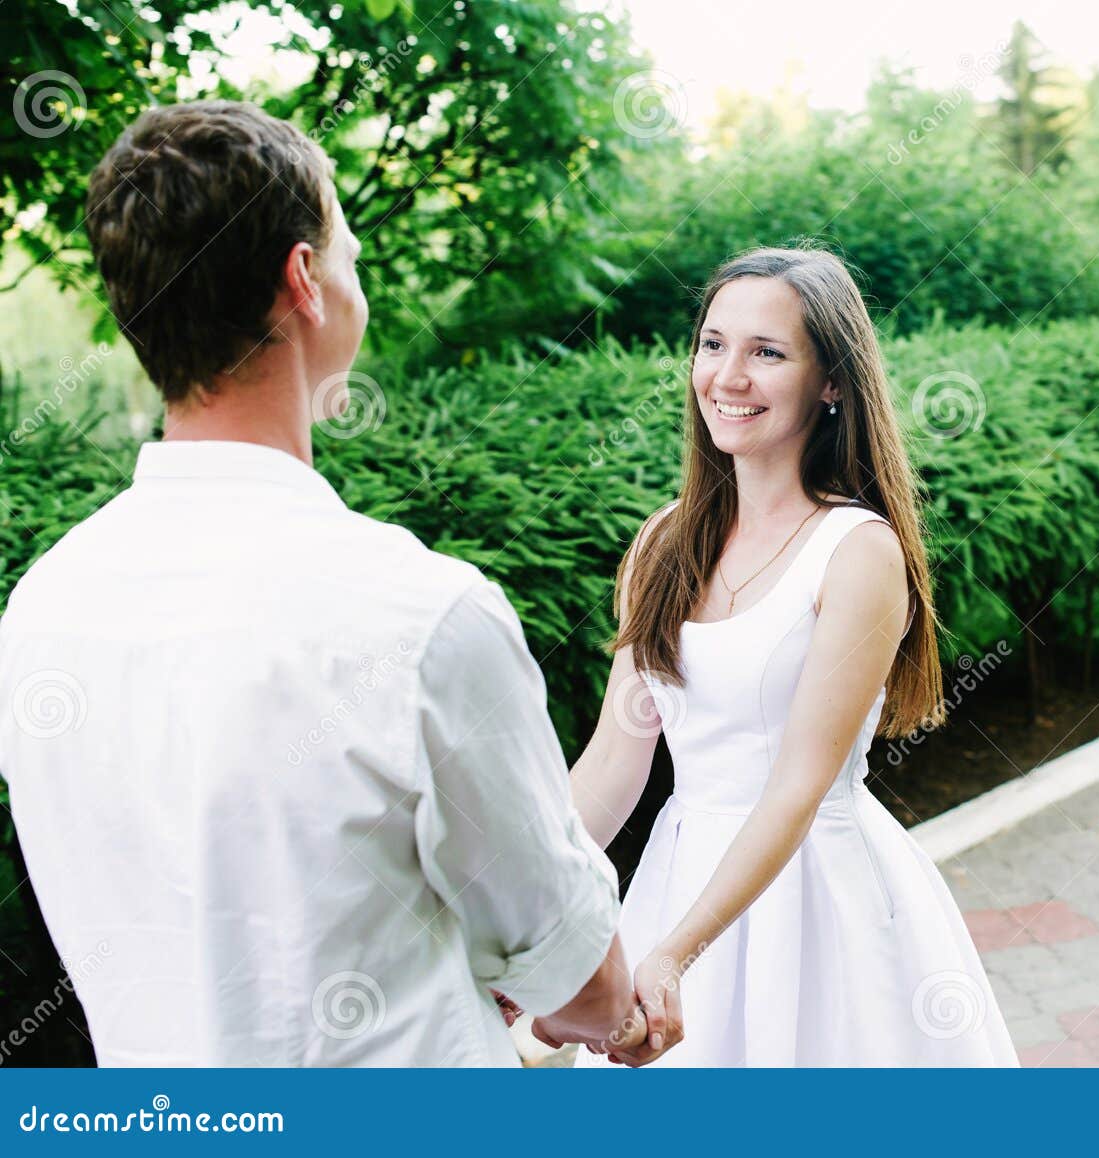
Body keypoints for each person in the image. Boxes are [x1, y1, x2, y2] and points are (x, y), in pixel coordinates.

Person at [0, 100, 651, 1066]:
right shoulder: (421, 612)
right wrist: (601, 1004)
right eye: (350, 256)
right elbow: (585, 986)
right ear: (304, 281)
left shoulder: (42, 610)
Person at [569, 245, 1019, 1066]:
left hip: (816, 900)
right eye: (713, 344)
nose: (727, 376)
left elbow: (797, 788)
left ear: (832, 382)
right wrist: (519, 917)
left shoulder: (857, 552)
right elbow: (612, 764)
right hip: (677, 882)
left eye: (767, 353)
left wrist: (675, 954)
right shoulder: (662, 543)